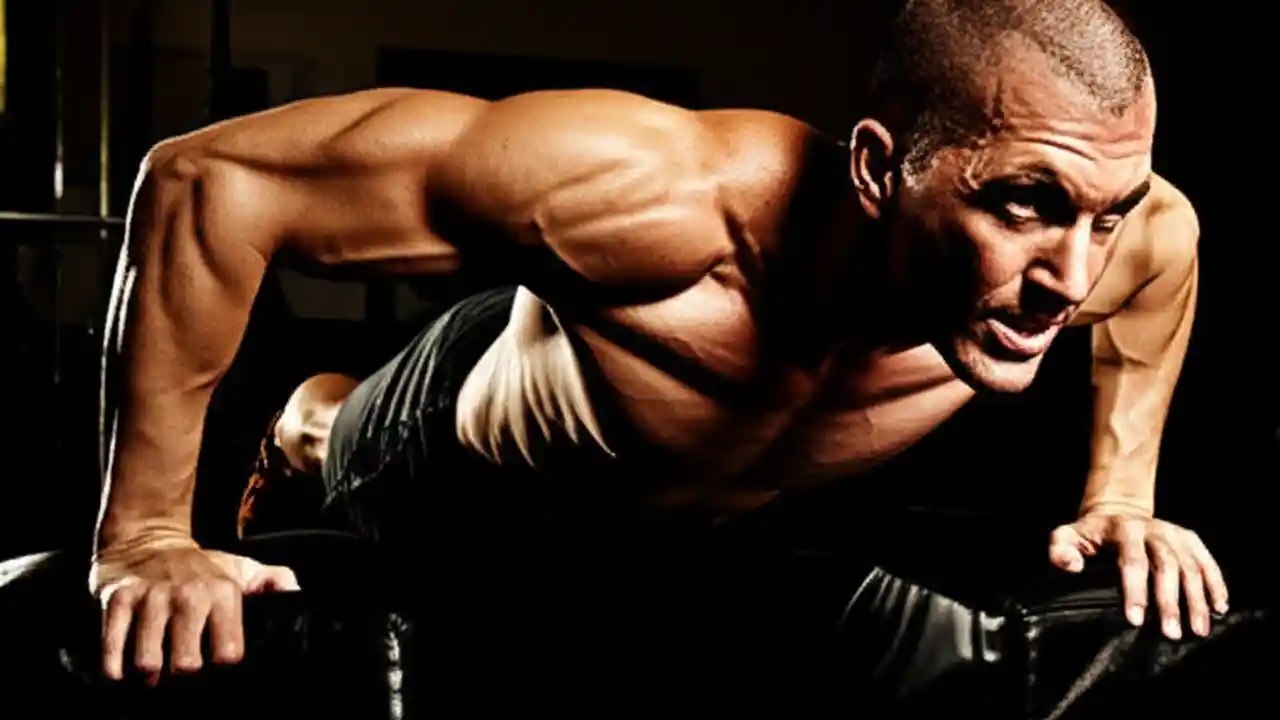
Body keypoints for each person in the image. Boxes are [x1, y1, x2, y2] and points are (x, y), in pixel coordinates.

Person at [90, 0, 1226, 686]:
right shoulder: (659, 198)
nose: (1069, 278)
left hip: (674, 498)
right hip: (458, 450)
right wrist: (142, 532)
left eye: (1104, 213)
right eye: (1021, 203)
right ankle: (308, 421)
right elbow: (212, 180)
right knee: (342, 437)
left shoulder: (1116, 233)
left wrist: (1120, 496)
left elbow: (1158, 259)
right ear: (879, 169)